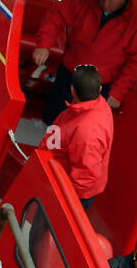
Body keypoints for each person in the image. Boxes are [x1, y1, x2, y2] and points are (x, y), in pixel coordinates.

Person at [32, 0, 137, 122]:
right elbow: (55, 16)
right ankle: (50, 141)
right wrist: (43, 45)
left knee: (85, 126)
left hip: (101, 85)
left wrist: (118, 92)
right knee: (54, 117)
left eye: (109, 0)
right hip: (70, 74)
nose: (104, 4)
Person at [42, 63, 113, 210]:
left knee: (40, 232)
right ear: (99, 90)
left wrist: (65, 198)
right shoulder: (93, 107)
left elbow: (86, 175)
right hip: (57, 177)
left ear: (72, 90)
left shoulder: (87, 132)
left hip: (69, 192)